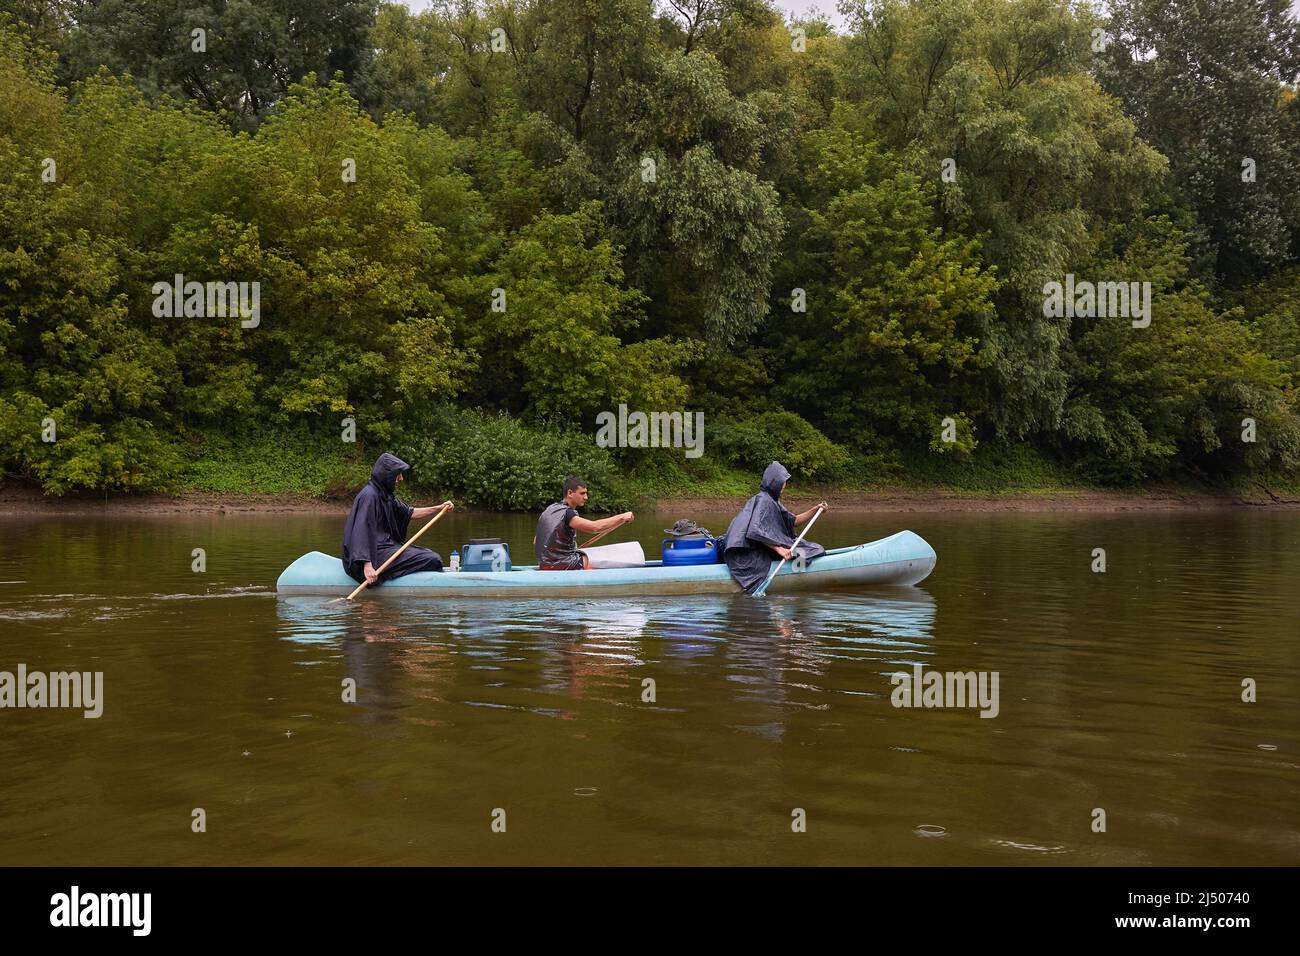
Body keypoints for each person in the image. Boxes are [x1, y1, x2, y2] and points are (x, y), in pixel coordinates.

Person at [342, 452, 454, 586]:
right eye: (398, 473)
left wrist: (439, 508)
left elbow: (409, 513)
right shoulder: (369, 496)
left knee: (429, 555)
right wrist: (367, 566)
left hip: (384, 548)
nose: (400, 478)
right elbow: (360, 532)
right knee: (433, 559)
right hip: (369, 557)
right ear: (386, 474)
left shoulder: (385, 494)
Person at [722, 461, 828, 593]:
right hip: (748, 552)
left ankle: (797, 569)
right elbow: (755, 531)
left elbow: (793, 521)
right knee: (813, 549)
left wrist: (815, 510)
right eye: (782, 481)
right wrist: (780, 549)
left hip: (761, 545)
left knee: (806, 546)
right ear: (774, 482)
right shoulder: (764, 500)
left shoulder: (772, 500)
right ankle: (797, 574)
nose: (784, 484)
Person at [535, 475, 634, 570]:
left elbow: (536, 540)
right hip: (564, 565)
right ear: (570, 493)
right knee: (600, 556)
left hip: (544, 565)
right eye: (582, 493)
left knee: (583, 554)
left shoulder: (549, 509)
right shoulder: (568, 513)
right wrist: (622, 517)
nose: (586, 497)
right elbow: (595, 527)